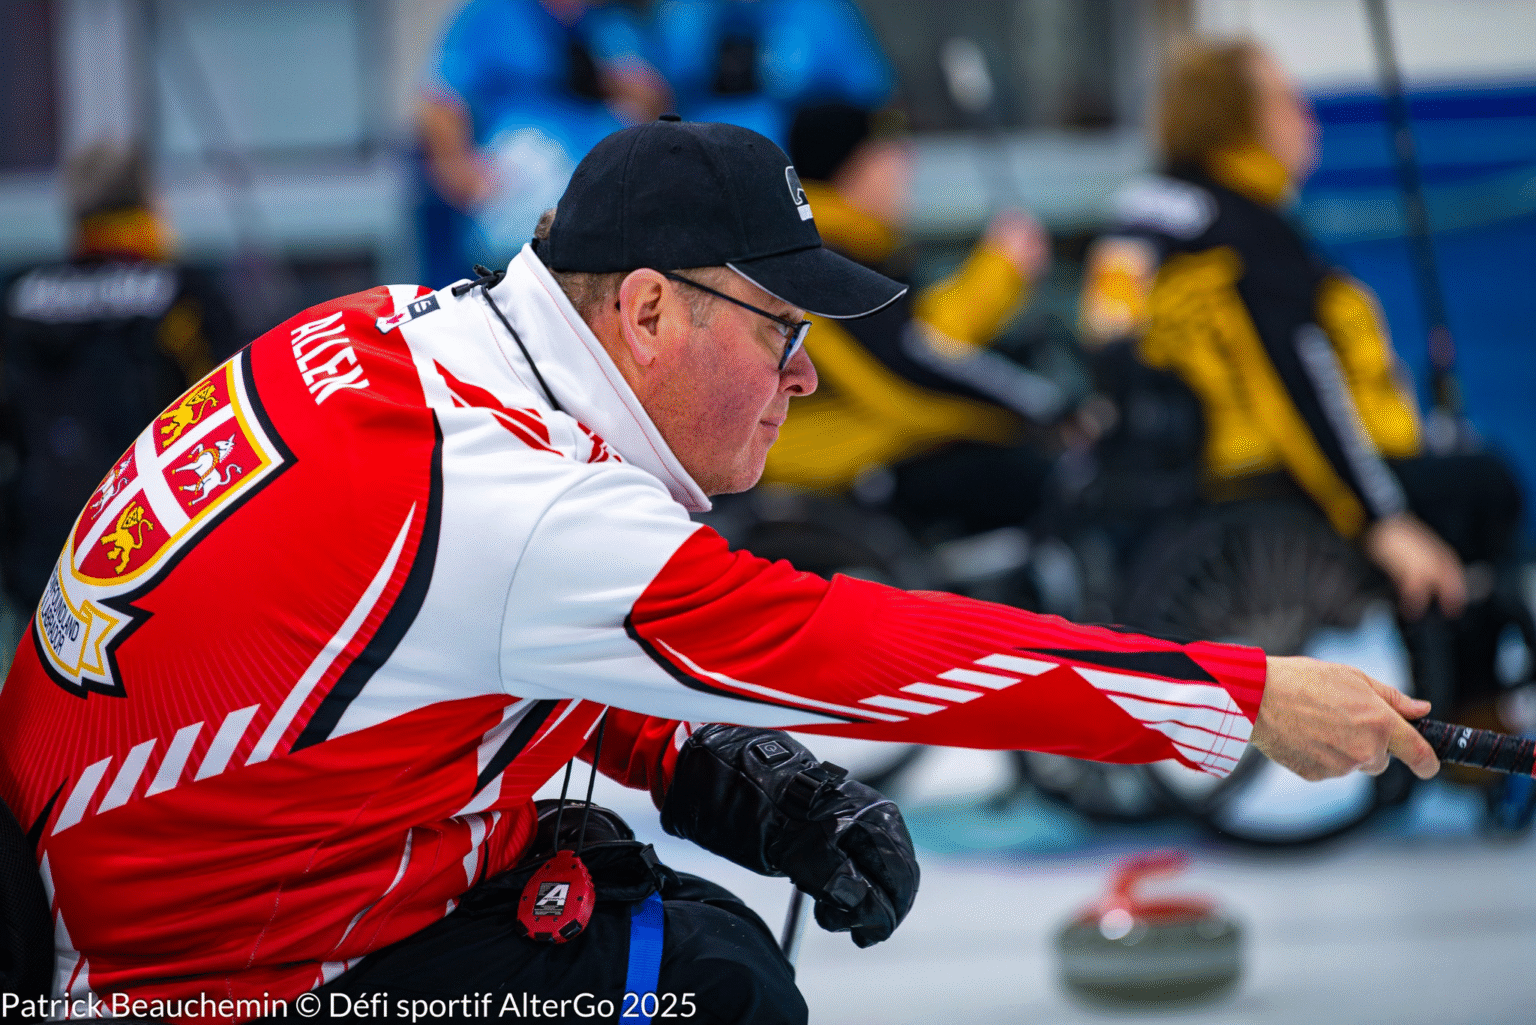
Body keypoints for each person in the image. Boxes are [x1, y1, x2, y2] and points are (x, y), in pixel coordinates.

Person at [0, 117, 1439, 1023]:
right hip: (197, 974)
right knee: (707, 985)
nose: (804, 378)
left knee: (652, 909)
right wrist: (1241, 696)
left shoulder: (404, 338)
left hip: (148, 874)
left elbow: (435, 646)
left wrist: (713, 773)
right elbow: (873, 650)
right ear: (642, 311)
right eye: (780, 334)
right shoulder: (527, 501)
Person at [1078, 39, 1528, 720]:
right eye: (1285, 100)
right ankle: (1462, 709)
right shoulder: (1246, 232)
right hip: (1261, 480)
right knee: (1482, 482)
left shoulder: (1143, 215)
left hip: (1167, 482)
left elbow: (1106, 348)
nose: (1307, 116)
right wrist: (1383, 519)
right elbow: (1302, 393)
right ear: (1238, 118)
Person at [761, 102, 1059, 535]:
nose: (909, 163)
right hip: (830, 474)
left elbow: (921, 335)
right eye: (891, 149)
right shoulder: (818, 263)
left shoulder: (846, 247)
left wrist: (1002, 270)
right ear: (853, 166)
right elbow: (910, 373)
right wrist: (1040, 412)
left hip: (860, 453)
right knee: (1026, 477)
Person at [0, 143, 234, 621]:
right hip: (151, 554)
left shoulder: (19, 295)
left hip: (39, 561)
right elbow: (227, 415)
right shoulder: (180, 291)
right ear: (148, 204)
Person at [417, 0, 670, 285]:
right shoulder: (494, 14)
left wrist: (611, 77)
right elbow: (441, 100)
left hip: (602, 178)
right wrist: (460, 173)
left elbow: (653, 100)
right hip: (522, 177)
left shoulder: (608, 21)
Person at [649, 0, 893, 146]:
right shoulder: (685, 14)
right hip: (696, 161)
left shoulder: (815, 11)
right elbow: (655, 95)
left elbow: (875, 98)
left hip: (793, 171)